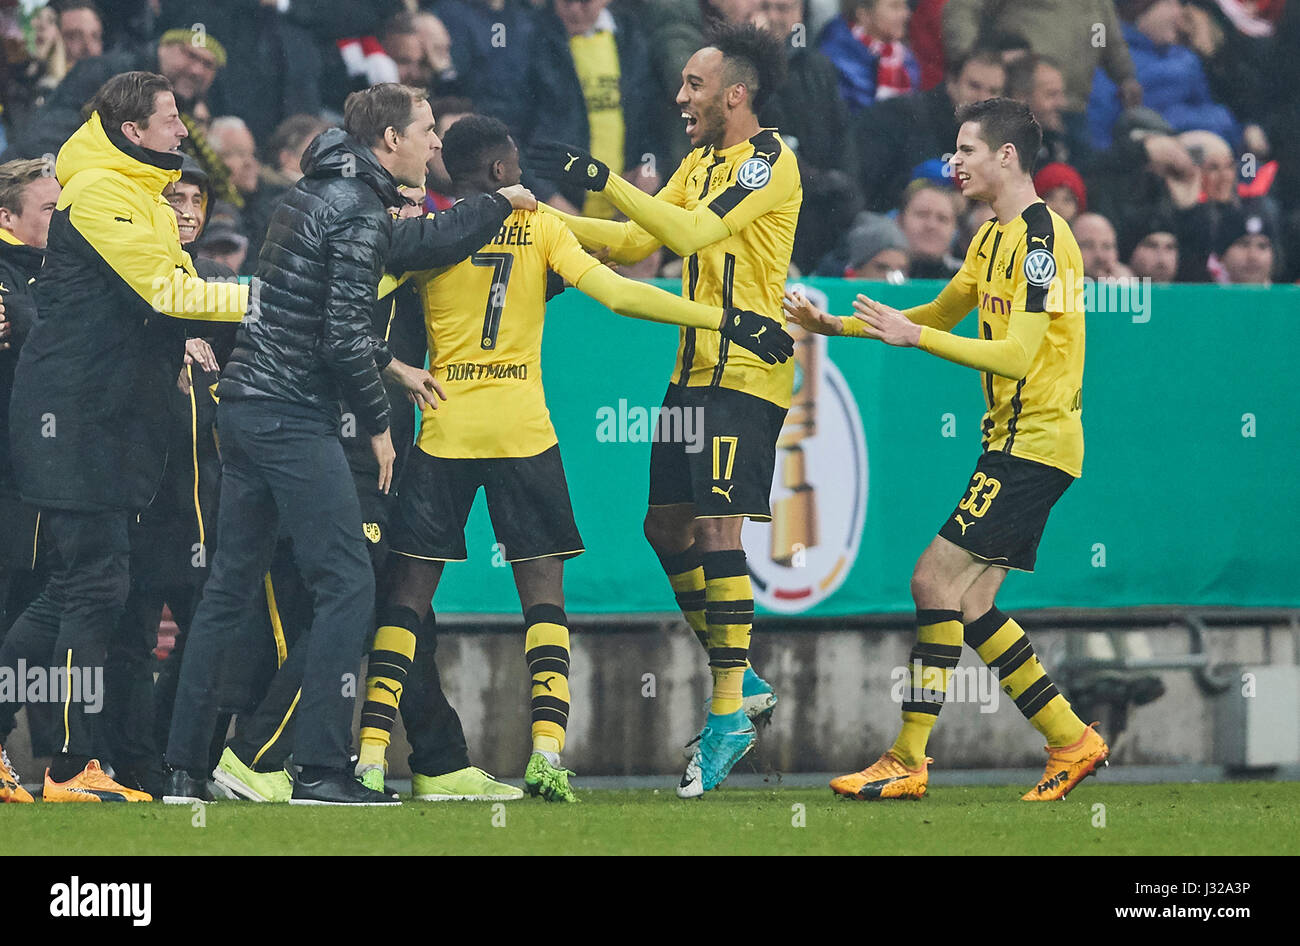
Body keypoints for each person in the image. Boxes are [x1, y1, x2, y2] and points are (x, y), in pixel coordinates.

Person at [355, 114, 791, 802]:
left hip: (445, 427)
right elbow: (622, 292)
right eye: (517, 165)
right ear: (501, 172)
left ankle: (372, 758)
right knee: (544, 603)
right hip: (524, 432)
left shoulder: (426, 236)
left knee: (406, 599)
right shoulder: (540, 228)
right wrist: (726, 319)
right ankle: (548, 756)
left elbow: (362, 302)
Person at [161, 83, 532, 807]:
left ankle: (180, 769)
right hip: (293, 417)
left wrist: (493, 205)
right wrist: (381, 424)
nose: (434, 143)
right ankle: (319, 769)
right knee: (351, 585)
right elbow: (341, 339)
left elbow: (413, 242)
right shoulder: (360, 208)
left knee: (228, 590)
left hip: (244, 405)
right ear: (390, 140)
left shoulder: (319, 193)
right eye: (426, 130)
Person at [784, 97, 1107, 802]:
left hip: (1035, 442)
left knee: (933, 582)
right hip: (1016, 441)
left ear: (1007, 157)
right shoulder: (992, 236)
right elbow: (933, 314)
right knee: (971, 604)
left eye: (965, 150)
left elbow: (1019, 355)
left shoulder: (1044, 242)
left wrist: (915, 338)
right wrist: (834, 326)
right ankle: (1070, 738)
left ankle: (908, 757)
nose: (952, 162)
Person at [531, 21, 802, 798]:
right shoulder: (700, 161)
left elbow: (687, 231)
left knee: (718, 529)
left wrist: (605, 175)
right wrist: (537, 216)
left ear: (735, 94)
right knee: (664, 527)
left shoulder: (769, 163)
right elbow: (630, 243)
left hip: (746, 374)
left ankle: (726, 718)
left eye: (694, 85)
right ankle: (743, 679)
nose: (680, 97)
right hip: (691, 375)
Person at [2, 72, 248, 804]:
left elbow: (174, 306)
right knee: (94, 587)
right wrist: (276, 297)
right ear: (134, 131)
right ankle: (71, 766)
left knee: (71, 592)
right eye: (171, 120)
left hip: (104, 422)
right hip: (77, 419)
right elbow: (168, 294)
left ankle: (57, 760)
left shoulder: (137, 192)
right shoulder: (104, 194)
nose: (184, 132)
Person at [0, 158, 61, 805]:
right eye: (47, 210)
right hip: (11, 478)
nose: (60, 220)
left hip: (37, 480)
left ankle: (61, 763)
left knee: (30, 618)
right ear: (6, 218)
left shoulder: (45, 276)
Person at [816, 0, 919, 111]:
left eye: (905, 5)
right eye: (894, 7)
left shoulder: (898, 53)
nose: (906, 13)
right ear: (863, 15)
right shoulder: (836, 58)